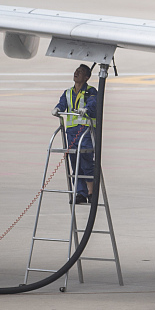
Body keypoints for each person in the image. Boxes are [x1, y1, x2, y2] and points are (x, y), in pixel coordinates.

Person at [53, 63, 99, 204]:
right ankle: (80, 192)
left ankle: (91, 192)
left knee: (85, 160)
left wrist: (86, 109)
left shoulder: (91, 91)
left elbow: (93, 103)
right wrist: (57, 108)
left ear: (86, 77)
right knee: (75, 162)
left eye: (80, 72)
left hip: (85, 131)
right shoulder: (68, 92)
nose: (76, 73)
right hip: (72, 132)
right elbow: (62, 103)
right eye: (76, 71)